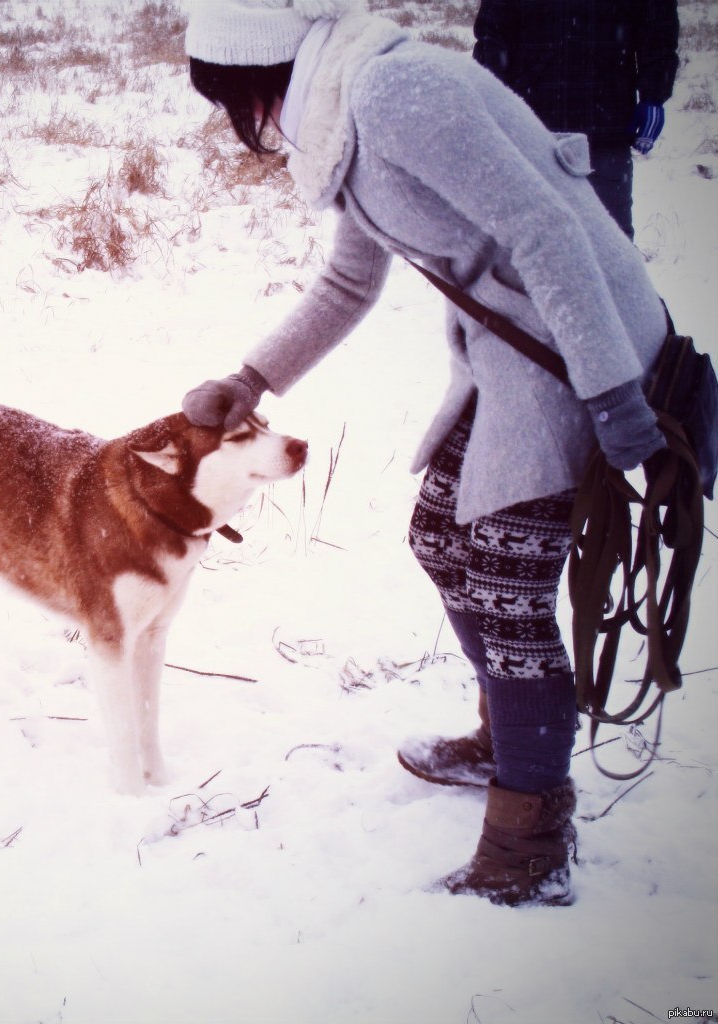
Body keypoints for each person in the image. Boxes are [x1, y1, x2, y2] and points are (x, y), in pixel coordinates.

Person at [180, 0, 669, 907]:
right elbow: (347, 279)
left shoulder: (392, 92)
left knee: (503, 584)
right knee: (441, 539)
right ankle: (506, 735)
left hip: (579, 347)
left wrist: (610, 390)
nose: (235, 124)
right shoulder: (339, 110)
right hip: (517, 351)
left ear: (257, 76)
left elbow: (547, 228)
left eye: (230, 101)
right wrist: (251, 380)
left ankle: (530, 837)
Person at [473, 0, 680, 239]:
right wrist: (489, 98)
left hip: (604, 129)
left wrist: (653, 94)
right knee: (530, 243)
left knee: (610, 245)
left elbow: (658, 27)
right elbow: (492, 36)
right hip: (532, 129)